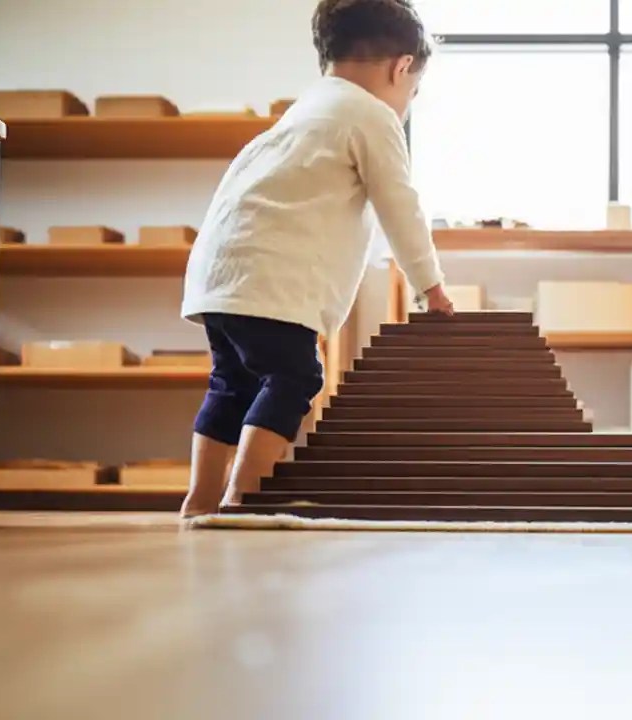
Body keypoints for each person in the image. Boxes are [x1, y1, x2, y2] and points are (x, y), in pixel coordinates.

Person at [178, 0, 453, 518]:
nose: (406, 103)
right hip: (270, 280)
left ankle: (200, 499)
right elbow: (401, 206)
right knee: (295, 377)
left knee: (231, 383)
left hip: (220, 275)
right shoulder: (371, 115)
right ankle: (243, 499)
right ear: (401, 68)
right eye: (412, 92)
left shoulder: (303, 113)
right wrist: (430, 286)